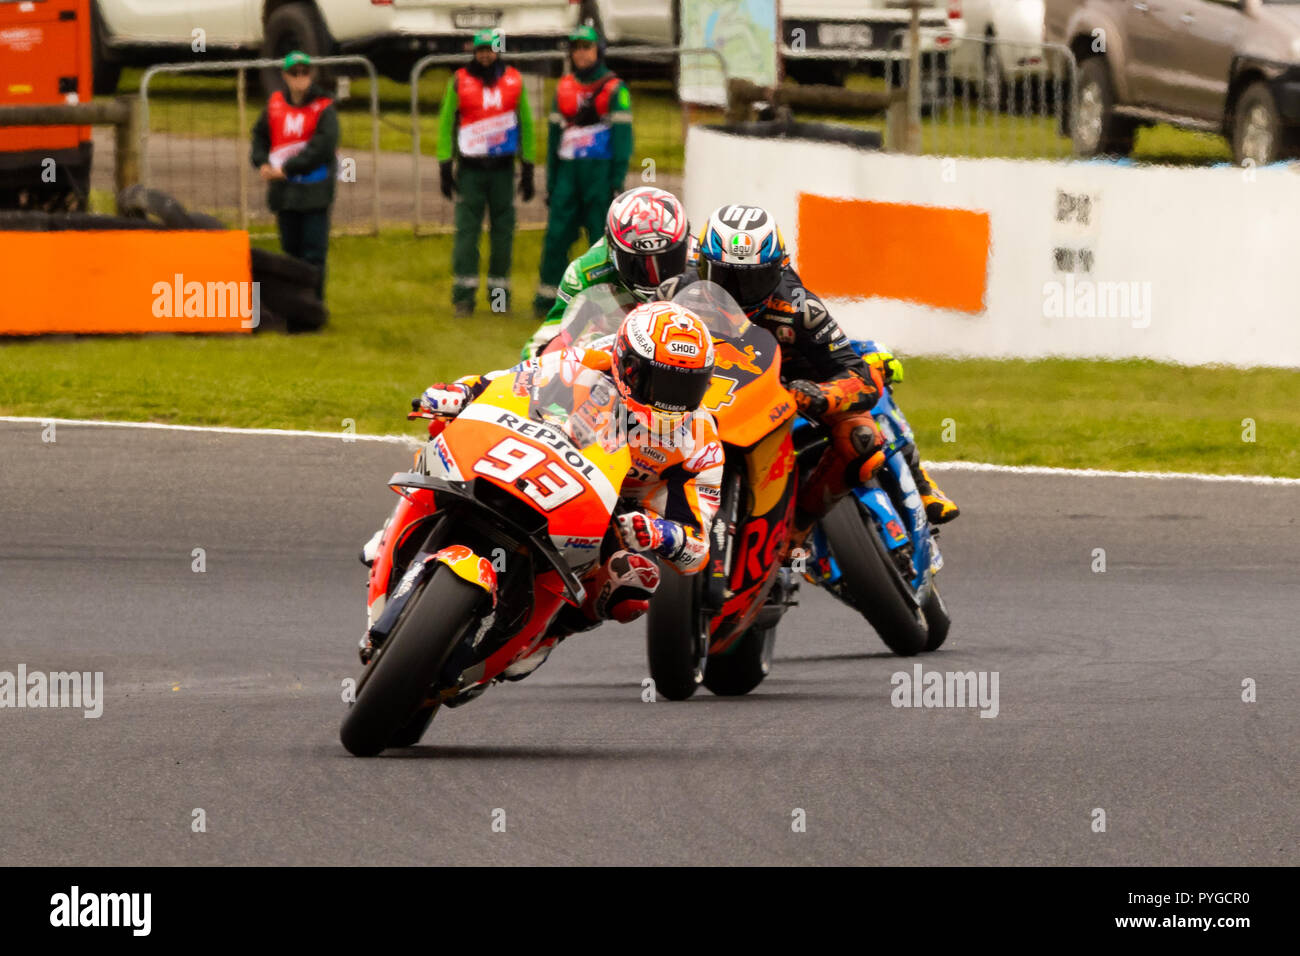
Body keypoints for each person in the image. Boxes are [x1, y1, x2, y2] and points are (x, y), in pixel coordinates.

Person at [366, 302, 723, 678]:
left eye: (688, 386)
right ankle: (392, 533)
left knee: (633, 580)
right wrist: (460, 392)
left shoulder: (700, 443)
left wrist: (658, 533)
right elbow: (504, 383)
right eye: (663, 382)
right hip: (541, 462)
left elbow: (697, 549)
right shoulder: (578, 362)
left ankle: (549, 634)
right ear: (628, 364)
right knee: (443, 434)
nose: (672, 399)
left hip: (615, 513)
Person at [659, 203, 960, 538]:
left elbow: (857, 375)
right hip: (712, 388)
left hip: (794, 385)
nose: (739, 294)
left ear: (778, 269)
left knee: (861, 436)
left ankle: (800, 524)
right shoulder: (677, 294)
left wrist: (824, 396)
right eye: (726, 279)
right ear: (701, 266)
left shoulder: (800, 306)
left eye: (754, 279)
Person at [533, 24, 633, 319]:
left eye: (586, 47)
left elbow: (623, 139)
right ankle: (548, 301)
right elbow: (553, 139)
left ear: (598, 50)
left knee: (600, 241)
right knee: (556, 237)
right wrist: (551, 182)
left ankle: (604, 306)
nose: (581, 53)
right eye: (576, 47)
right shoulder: (563, 87)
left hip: (599, 176)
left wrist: (616, 181)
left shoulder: (616, 89)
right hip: (567, 174)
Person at [522, 185, 690, 358]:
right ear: (613, 252)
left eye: (667, 260)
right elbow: (542, 344)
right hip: (616, 354)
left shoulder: (699, 258)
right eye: (639, 264)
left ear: (685, 243)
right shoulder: (584, 273)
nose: (654, 277)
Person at [437, 28, 536, 317]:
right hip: (470, 170)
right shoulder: (459, 81)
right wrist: (445, 163)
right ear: (474, 51)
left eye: (490, 50)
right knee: (467, 233)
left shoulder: (514, 80)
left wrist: (528, 166)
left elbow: (526, 124)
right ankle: (463, 298)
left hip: (503, 170)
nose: (485, 55)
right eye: (480, 50)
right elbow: (446, 123)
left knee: (503, 234)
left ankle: (499, 300)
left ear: (498, 51)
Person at [250, 51, 338, 301]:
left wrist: (288, 169)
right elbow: (259, 136)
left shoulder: (324, 107)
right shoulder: (274, 104)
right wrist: (262, 162)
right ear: (284, 76)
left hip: (314, 191)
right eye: (294, 72)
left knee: (313, 254)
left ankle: (313, 306)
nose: (300, 77)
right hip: (284, 193)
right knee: (290, 253)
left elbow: (321, 147)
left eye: (304, 72)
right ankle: (293, 306)